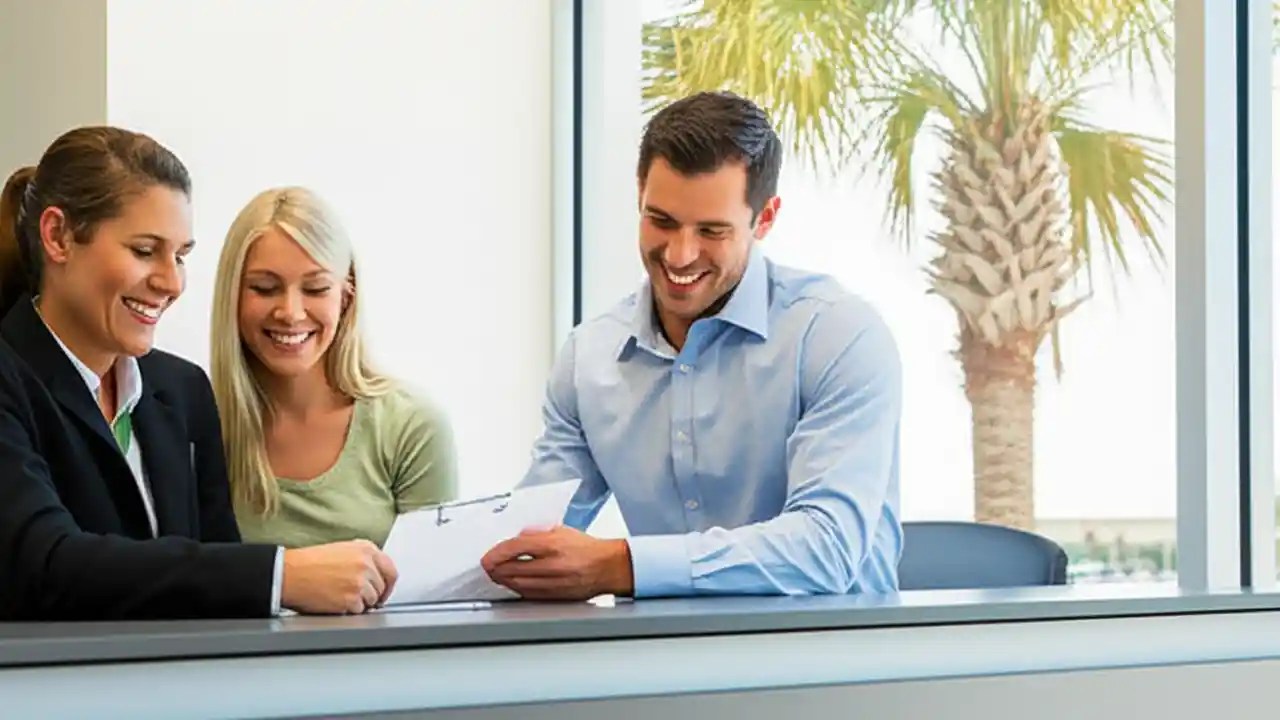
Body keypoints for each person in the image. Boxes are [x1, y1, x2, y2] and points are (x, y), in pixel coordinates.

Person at [482, 92, 903, 600]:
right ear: (639, 195)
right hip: (662, 667)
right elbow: (527, 538)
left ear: (764, 219)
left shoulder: (838, 337)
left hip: (829, 664)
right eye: (660, 221)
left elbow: (827, 550)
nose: (680, 255)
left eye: (712, 231)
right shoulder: (588, 358)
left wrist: (622, 566)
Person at [0, 127, 396, 620]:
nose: (171, 282)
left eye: (180, 255)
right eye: (145, 251)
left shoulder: (180, 391)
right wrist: (280, 575)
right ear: (58, 236)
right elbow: (43, 565)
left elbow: (216, 582)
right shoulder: (11, 377)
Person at [210, 186, 457, 549]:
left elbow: (436, 581)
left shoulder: (410, 425)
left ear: (345, 296)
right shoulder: (195, 424)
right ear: (232, 294)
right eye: (264, 288)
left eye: (316, 289)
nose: (291, 313)